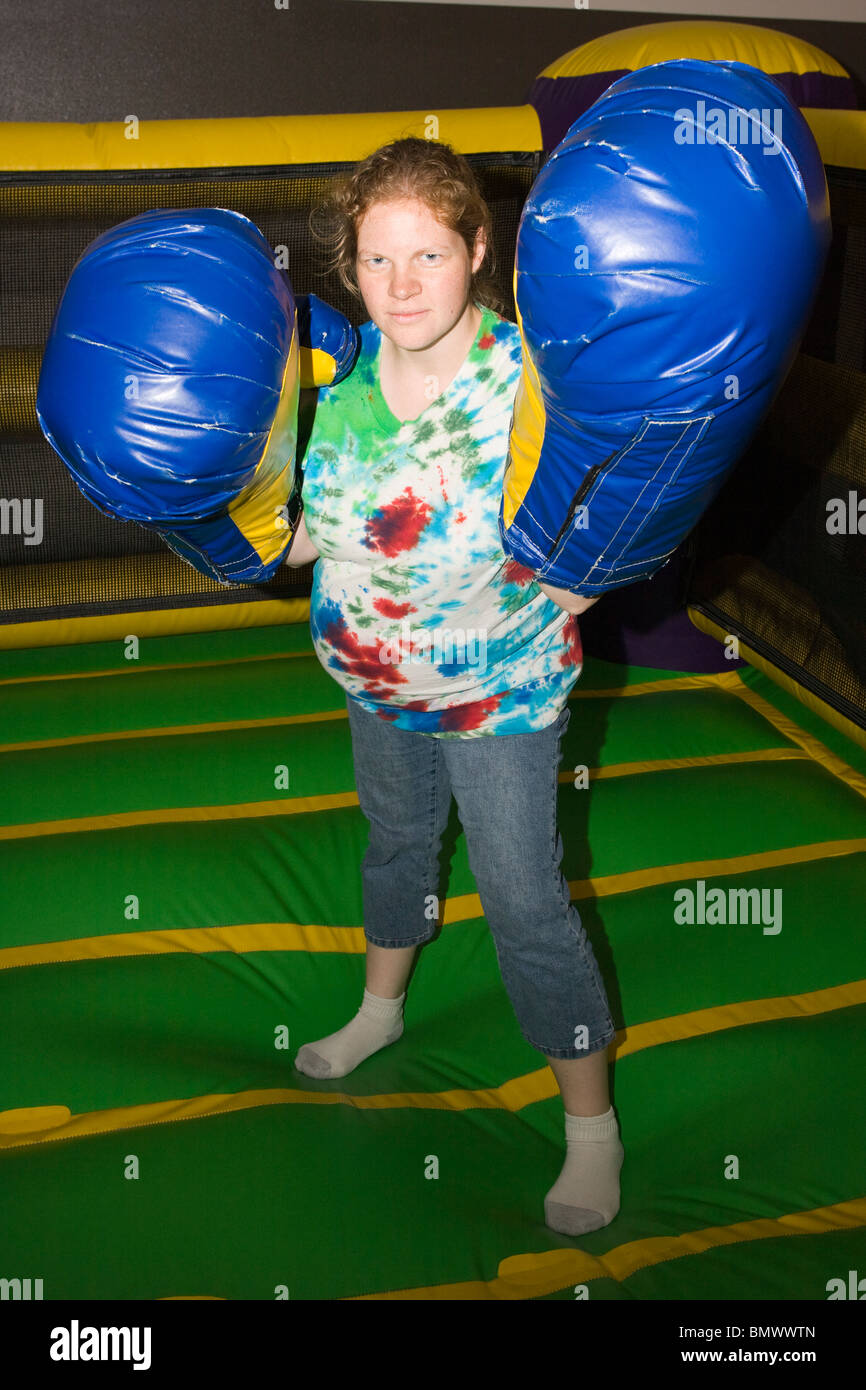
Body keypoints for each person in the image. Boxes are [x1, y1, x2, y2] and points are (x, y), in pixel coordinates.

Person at [283, 136, 623, 1237]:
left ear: (477, 248)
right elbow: (301, 540)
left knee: (523, 898)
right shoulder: (334, 391)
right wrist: (205, 505)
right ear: (351, 266)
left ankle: (590, 1129)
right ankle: (380, 1009)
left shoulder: (530, 378)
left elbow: (621, 496)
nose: (400, 285)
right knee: (394, 847)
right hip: (371, 677)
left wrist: (592, 575)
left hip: (499, 693)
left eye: (427, 255)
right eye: (377, 260)